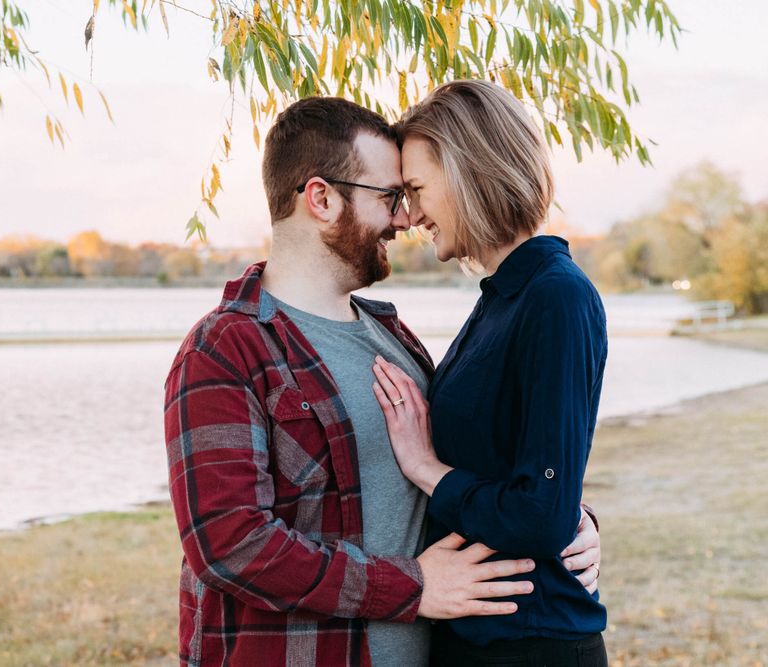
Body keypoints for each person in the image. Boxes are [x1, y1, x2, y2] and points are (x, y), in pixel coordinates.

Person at [163, 95, 601, 666]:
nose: (404, 219)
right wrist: (414, 585)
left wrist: (568, 519)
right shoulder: (226, 349)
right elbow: (231, 543)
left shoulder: (393, 336)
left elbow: (479, 459)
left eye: (409, 195)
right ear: (321, 198)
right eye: (391, 198)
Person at [371, 80, 608, 666]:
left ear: (471, 172)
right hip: (478, 636)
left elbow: (540, 515)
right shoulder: (502, 297)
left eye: (418, 189)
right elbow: (526, 469)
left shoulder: (555, 297)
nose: (411, 214)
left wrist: (426, 467)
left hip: (529, 645)